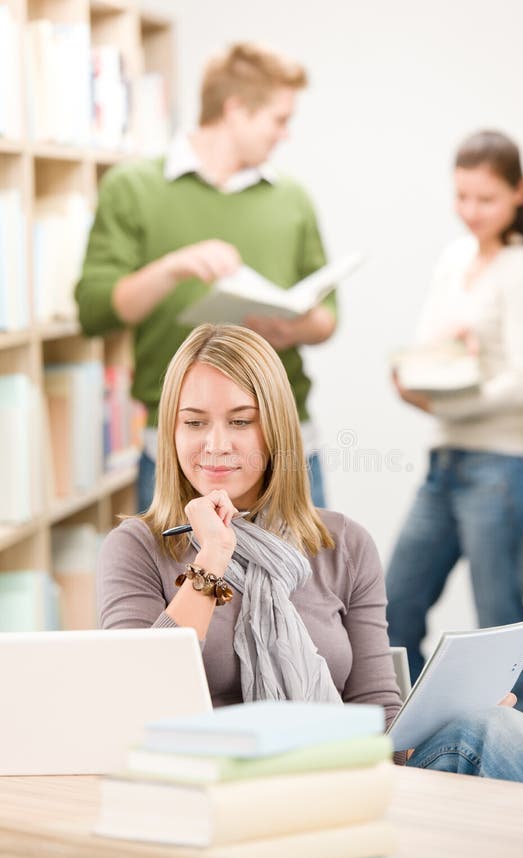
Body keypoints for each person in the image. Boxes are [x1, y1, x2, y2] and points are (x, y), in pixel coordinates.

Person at [97, 323, 523, 787]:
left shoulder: (344, 543)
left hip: (338, 779)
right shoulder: (137, 547)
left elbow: (377, 712)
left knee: (498, 728)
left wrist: (451, 714)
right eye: (194, 422)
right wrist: (213, 556)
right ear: (170, 431)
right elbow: (135, 697)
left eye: (241, 421)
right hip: (217, 788)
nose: (216, 445)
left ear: (275, 431)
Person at [75, 42, 336, 512]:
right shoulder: (134, 188)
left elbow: (328, 318)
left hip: (289, 447)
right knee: (179, 584)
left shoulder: (291, 198)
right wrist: (172, 267)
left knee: (306, 583)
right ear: (235, 110)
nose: (285, 134)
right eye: (278, 119)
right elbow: (95, 310)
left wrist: (291, 326)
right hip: (179, 452)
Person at [386, 130, 523, 739]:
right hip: (446, 466)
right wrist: (416, 380)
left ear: (518, 193)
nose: (472, 211)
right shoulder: (455, 258)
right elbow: (431, 354)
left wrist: (454, 391)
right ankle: (406, 750)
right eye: (462, 196)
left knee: (501, 630)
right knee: (393, 612)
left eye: (486, 198)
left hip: (500, 471)